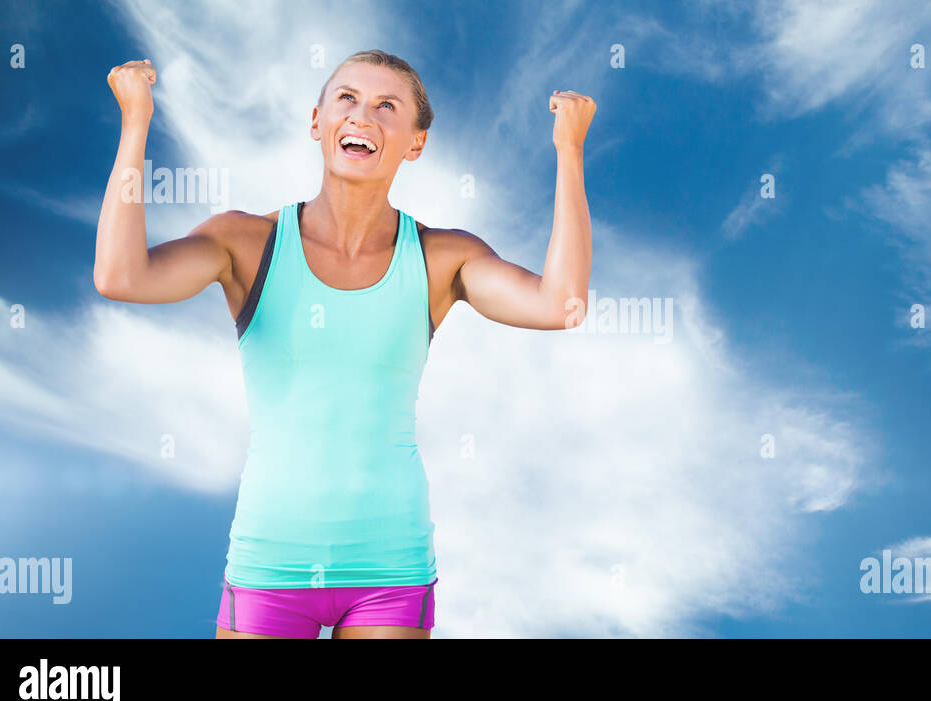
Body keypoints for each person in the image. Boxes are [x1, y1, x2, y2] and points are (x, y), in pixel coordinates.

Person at [94, 50, 595, 638]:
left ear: (415, 143)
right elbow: (120, 277)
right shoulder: (246, 242)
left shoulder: (439, 258)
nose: (363, 115)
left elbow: (562, 305)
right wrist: (135, 122)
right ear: (317, 122)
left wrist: (570, 150)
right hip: (270, 563)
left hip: (392, 566)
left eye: (388, 106)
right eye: (347, 99)